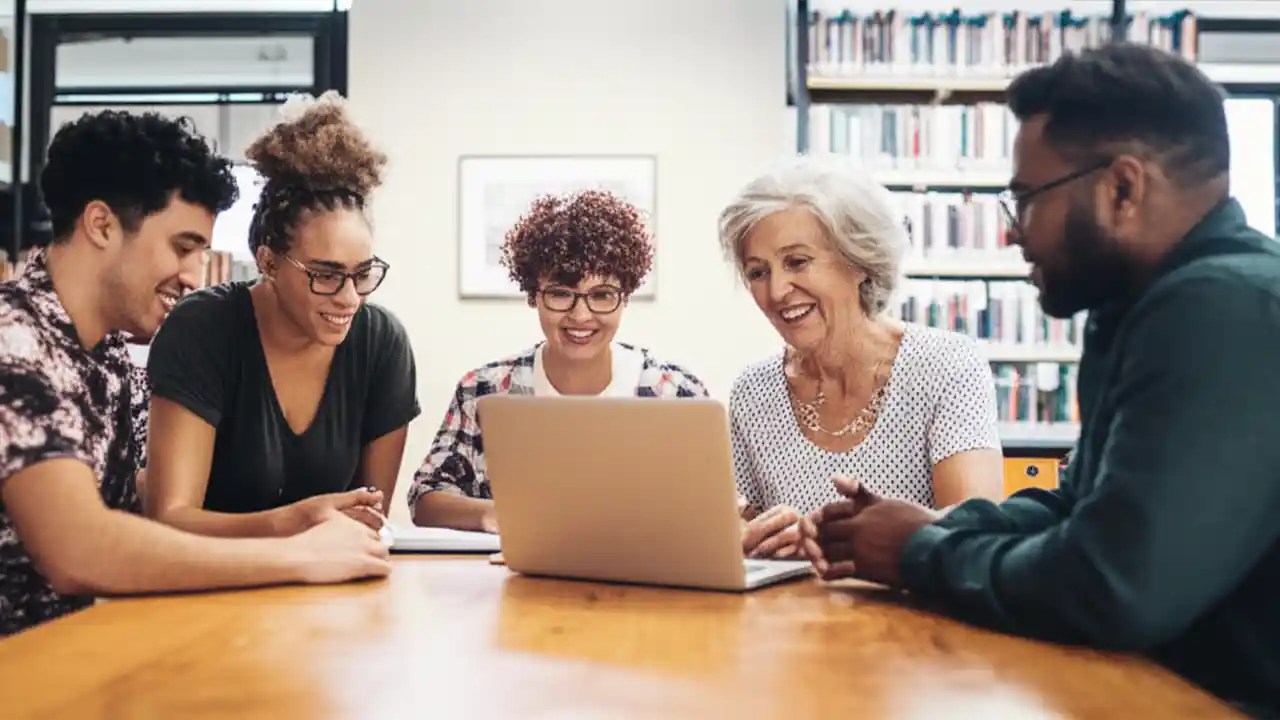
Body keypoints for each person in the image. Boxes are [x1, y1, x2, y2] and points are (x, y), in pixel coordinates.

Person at [800, 44, 1280, 717]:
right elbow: (1080, 505)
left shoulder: (1222, 310)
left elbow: (1111, 586)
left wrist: (920, 551)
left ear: (1122, 188)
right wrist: (922, 527)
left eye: (1025, 200)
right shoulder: (1143, 306)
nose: (1013, 234)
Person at [0, 110, 390, 636]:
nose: (191, 276)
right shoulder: (14, 339)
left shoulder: (106, 353)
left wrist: (292, 517)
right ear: (101, 225)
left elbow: (120, 506)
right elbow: (80, 550)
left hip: (86, 653)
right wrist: (298, 555)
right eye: (182, 248)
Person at [143, 92, 419, 538]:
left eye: (362, 274)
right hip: (209, 583)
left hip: (328, 588)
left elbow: (367, 522)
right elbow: (169, 519)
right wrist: (294, 523)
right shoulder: (203, 329)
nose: (350, 298)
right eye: (326, 275)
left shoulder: (381, 342)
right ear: (269, 262)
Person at [717, 158, 1004, 560]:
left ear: (858, 260)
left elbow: (977, 533)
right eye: (757, 272)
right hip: (787, 618)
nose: (777, 290)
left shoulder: (947, 365)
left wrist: (851, 544)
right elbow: (744, 531)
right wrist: (743, 540)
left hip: (912, 616)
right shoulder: (753, 390)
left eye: (797, 262)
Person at [409, 190, 708, 533]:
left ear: (625, 298)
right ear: (533, 296)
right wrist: (495, 514)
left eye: (601, 296)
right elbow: (425, 498)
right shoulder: (484, 390)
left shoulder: (675, 394)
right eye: (561, 294)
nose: (581, 315)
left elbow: (713, 511)